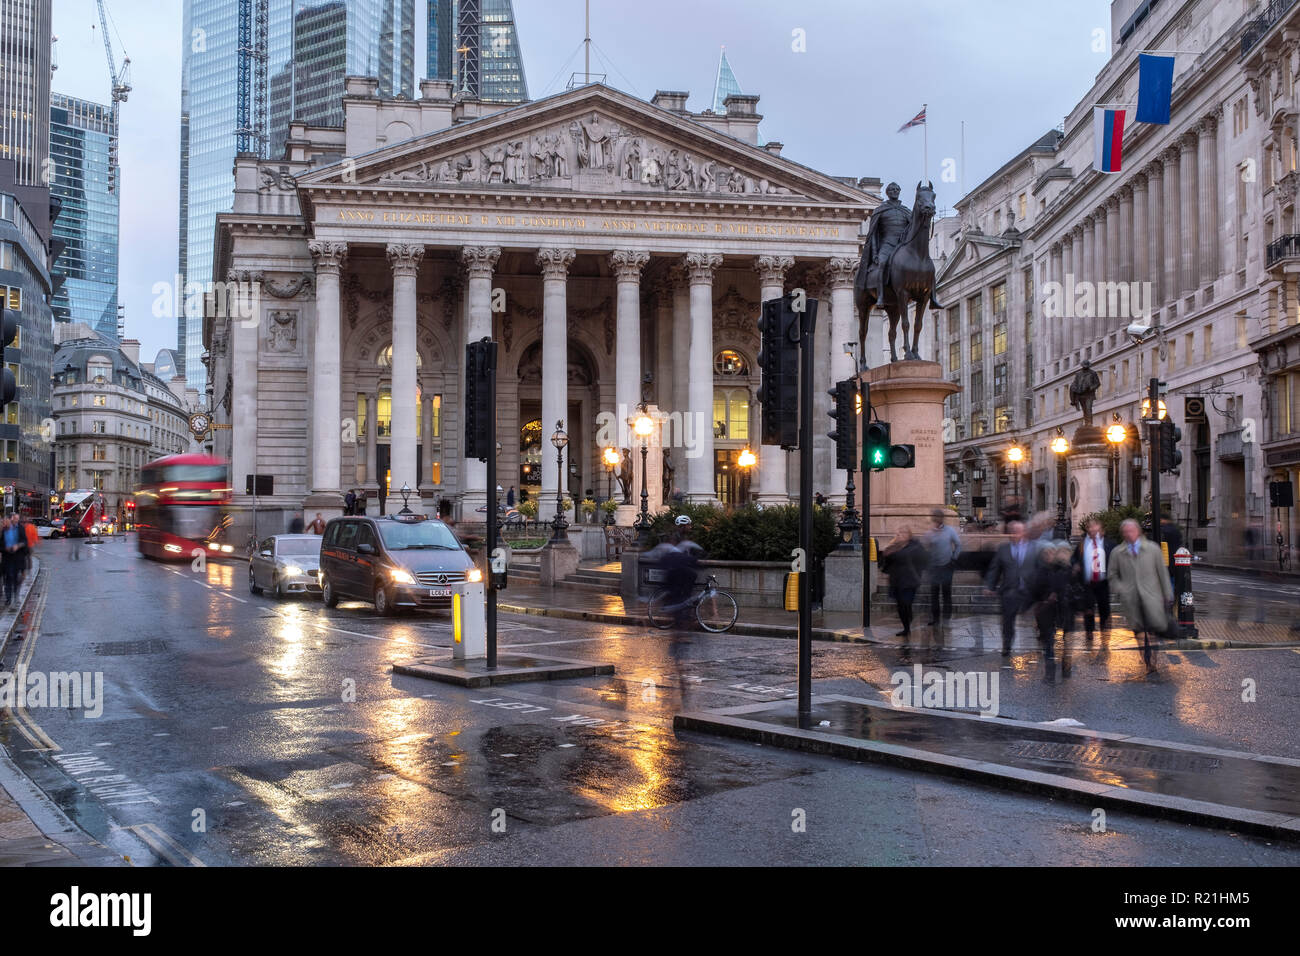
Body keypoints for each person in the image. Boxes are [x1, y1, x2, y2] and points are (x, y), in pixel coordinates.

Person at [1110, 518, 1175, 643]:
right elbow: (1112, 576)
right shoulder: (1117, 552)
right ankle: (1145, 656)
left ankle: (1151, 657)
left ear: (1138, 531)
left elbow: (1162, 573)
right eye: (1126, 531)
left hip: (1151, 597)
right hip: (1131, 598)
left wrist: (1168, 594)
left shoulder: (1153, 549)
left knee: (1152, 631)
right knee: (1138, 631)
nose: (1129, 534)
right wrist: (1121, 589)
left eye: (1132, 531)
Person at [984, 520, 1036, 657]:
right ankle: (1006, 644)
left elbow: (1041, 569)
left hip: (1030, 591)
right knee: (1007, 621)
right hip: (1009, 591)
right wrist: (990, 586)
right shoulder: (1003, 549)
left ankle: (1043, 642)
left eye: (1017, 532)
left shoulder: (1034, 548)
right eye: (1012, 532)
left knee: (1038, 619)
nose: (1014, 535)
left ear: (1024, 533)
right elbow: (994, 569)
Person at [880, 526, 928, 638]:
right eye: (898, 533)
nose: (900, 534)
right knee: (900, 606)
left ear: (909, 534)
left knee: (906, 603)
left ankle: (908, 624)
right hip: (896, 580)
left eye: (903, 532)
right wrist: (890, 549)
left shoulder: (915, 546)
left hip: (910, 580)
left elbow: (924, 559)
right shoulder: (894, 547)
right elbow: (886, 561)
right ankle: (906, 627)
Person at [1071, 517, 1115, 639]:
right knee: (1088, 608)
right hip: (1087, 581)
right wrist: (1075, 565)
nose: (1093, 529)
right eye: (1090, 526)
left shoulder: (1108, 543)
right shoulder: (1082, 544)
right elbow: (1074, 558)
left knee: (1104, 607)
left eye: (1095, 526)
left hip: (1102, 581)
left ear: (1100, 528)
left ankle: (1104, 629)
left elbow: (1115, 558)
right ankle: (1089, 631)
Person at [1030, 541, 1074, 656]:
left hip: (1062, 606)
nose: (1049, 555)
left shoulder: (1064, 568)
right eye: (1046, 553)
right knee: (1049, 636)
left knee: (1065, 632)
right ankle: (1049, 659)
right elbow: (1036, 588)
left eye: (1052, 552)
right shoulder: (1041, 570)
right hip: (1047, 607)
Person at [924, 508, 962, 625]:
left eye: (937, 517)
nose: (935, 520)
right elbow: (926, 548)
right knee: (934, 593)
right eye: (934, 518)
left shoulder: (950, 531)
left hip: (947, 565)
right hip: (934, 567)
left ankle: (946, 617)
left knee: (946, 592)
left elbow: (958, 544)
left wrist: (953, 558)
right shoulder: (929, 533)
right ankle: (935, 619)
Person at [2, 517, 22, 606]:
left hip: (16, 557)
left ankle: (15, 596)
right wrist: (4, 548)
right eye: (3, 523)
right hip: (6, 557)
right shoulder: (3, 532)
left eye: (6, 523)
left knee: (15, 578)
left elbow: (22, 542)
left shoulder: (16, 531)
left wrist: (17, 546)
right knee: (8, 578)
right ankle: (8, 598)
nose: (4, 524)